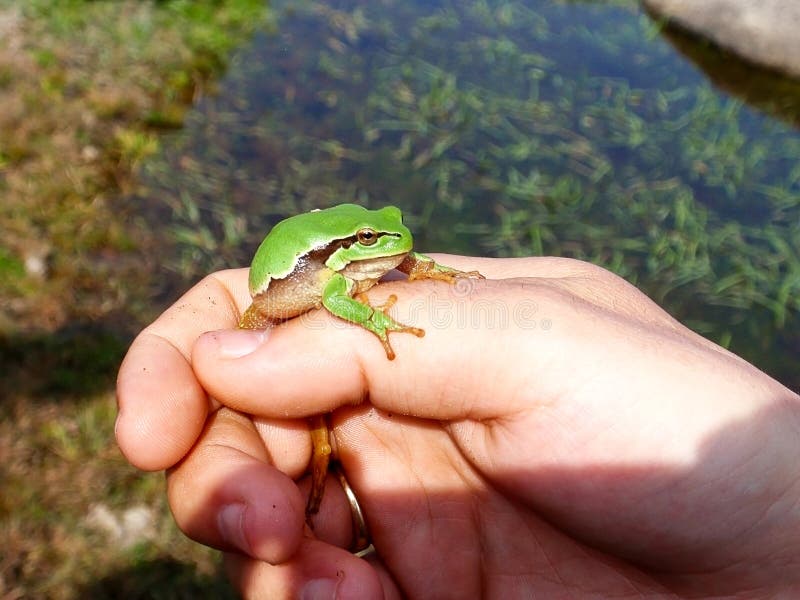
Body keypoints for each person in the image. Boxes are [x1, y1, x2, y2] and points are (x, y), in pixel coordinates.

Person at [116, 256, 800, 599]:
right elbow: (338, 296)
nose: (393, 244)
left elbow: (390, 262)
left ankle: (325, 468)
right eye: (373, 241)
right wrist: (377, 319)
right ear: (349, 250)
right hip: (284, 287)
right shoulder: (335, 278)